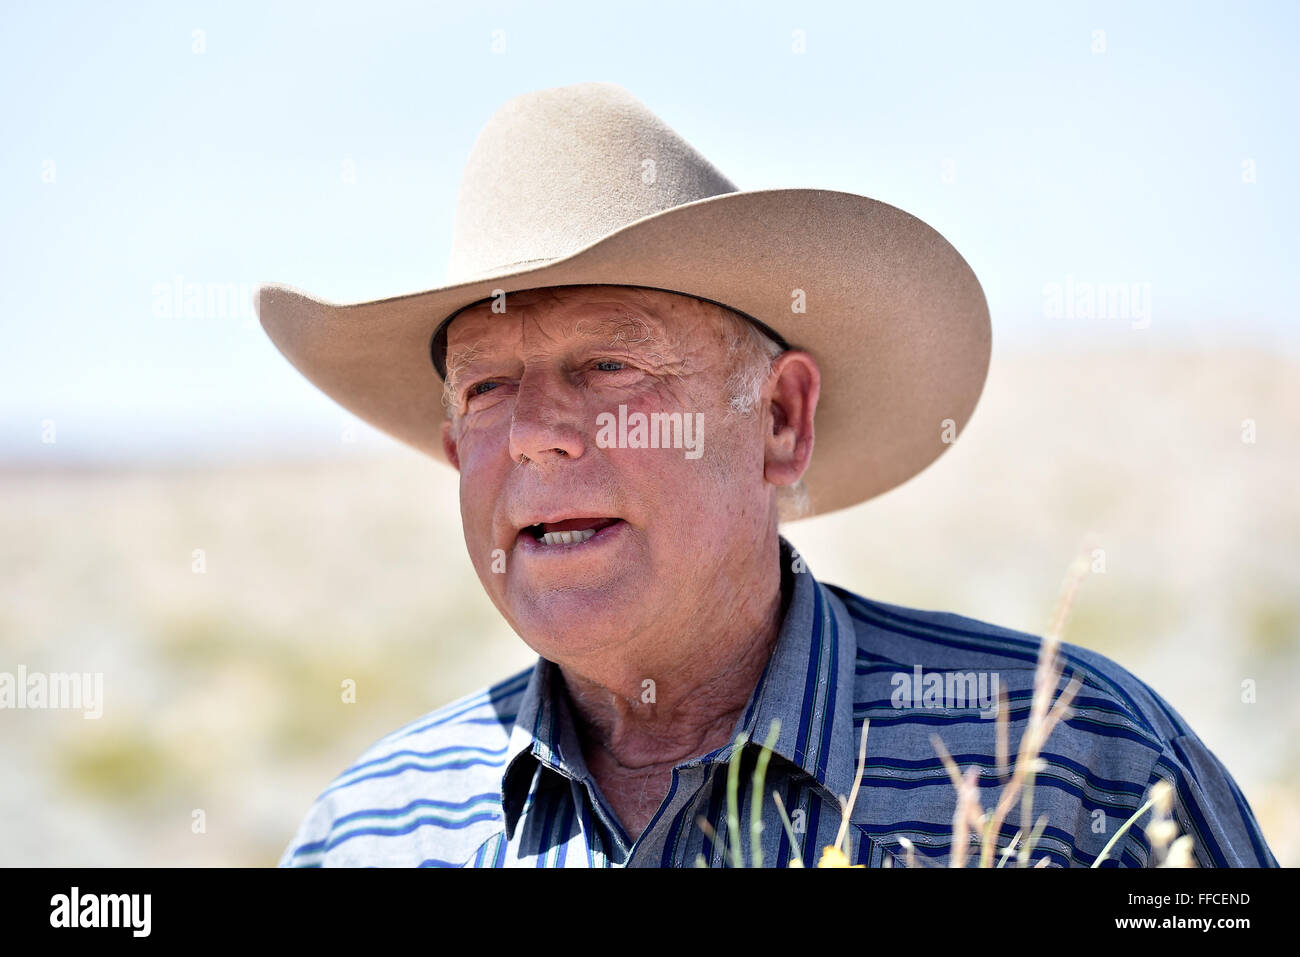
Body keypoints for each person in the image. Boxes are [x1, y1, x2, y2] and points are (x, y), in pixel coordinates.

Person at [255, 82, 1276, 867]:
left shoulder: (1067, 765)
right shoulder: (376, 831)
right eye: (484, 391)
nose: (534, 436)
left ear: (780, 421)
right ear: (451, 454)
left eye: (610, 366)